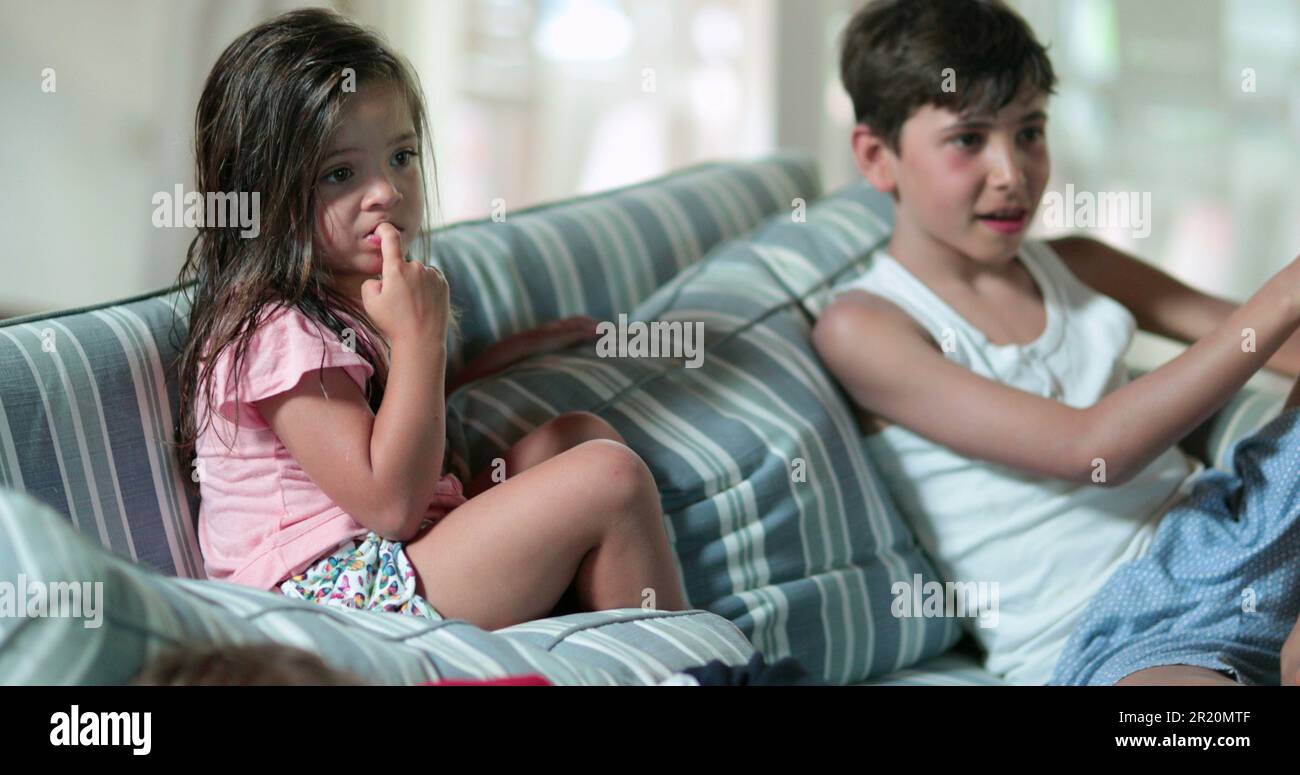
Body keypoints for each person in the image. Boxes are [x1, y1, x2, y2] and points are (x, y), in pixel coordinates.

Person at [813, 0, 1300, 685]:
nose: (1013, 172)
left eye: (1030, 131)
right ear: (877, 156)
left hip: (1225, 535)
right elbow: (1091, 449)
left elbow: (1279, 343)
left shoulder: (1076, 263)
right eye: (967, 139)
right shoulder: (866, 325)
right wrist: (1281, 296)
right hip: (1117, 631)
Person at [173, 8, 686, 633]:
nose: (386, 191)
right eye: (340, 174)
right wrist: (420, 337)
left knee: (577, 436)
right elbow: (388, 503)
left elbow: (398, 425)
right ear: (265, 193)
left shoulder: (355, 297)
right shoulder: (274, 330)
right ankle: (690, 667)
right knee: (610, 477)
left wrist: (504, 354)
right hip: (328, 603)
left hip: (389, 563)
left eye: (401, 156)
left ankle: (609, 648)